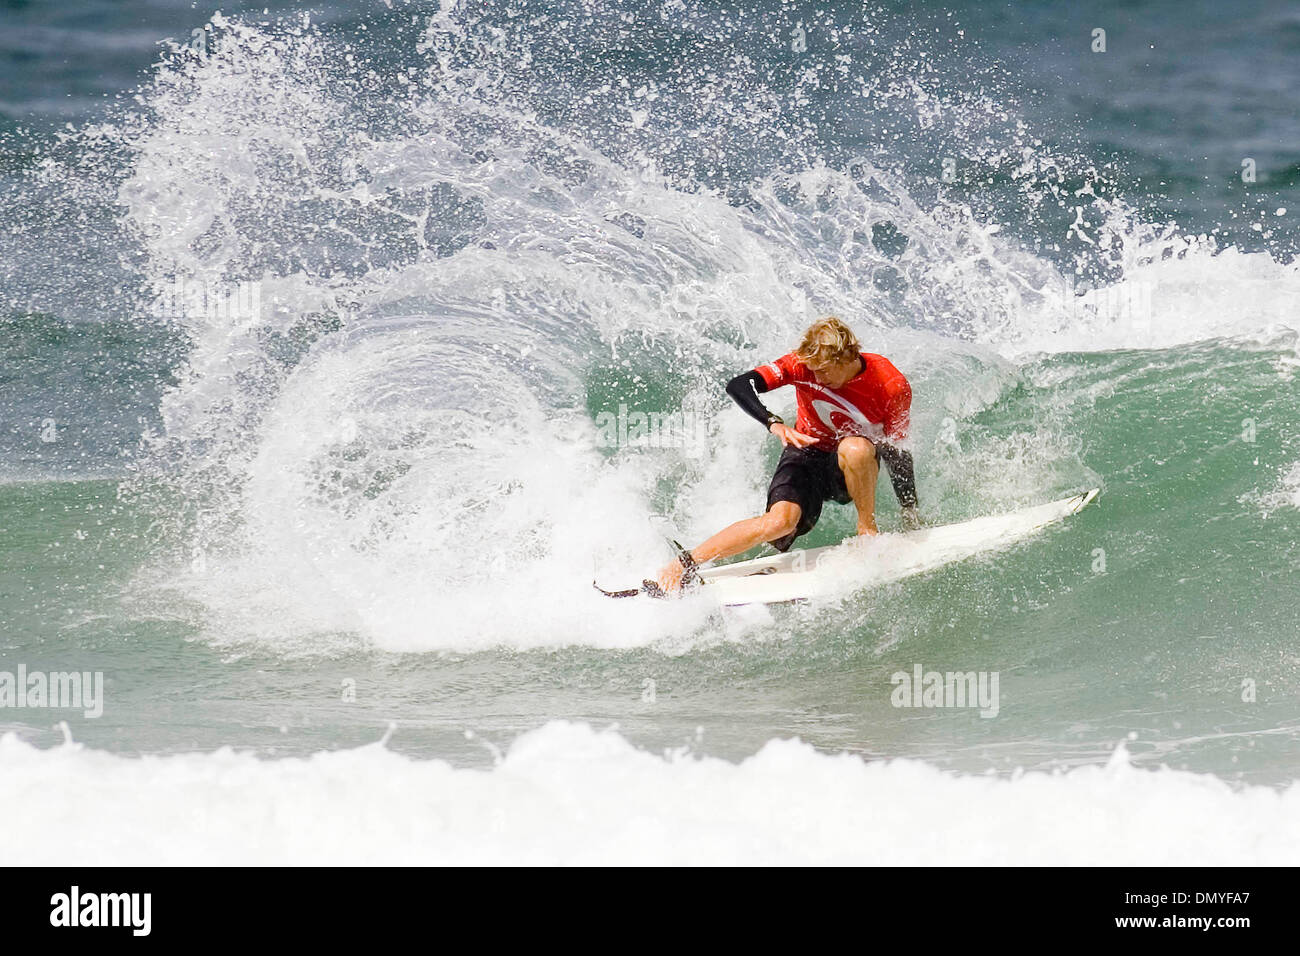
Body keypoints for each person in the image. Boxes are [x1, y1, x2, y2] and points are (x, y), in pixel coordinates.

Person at [654, 316, 919, 593]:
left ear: (848, 357)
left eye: (825, 371)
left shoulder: (890, 385)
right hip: (805, 453)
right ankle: (684, 563)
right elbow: (739, 385)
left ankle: (867, 531)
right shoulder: (803, 364)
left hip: (850, 467)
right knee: (779, 523)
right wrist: (773, 422)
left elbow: (896, 450)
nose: (817, 378)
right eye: (813, 371)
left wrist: (909, 509)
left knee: (856, 447)